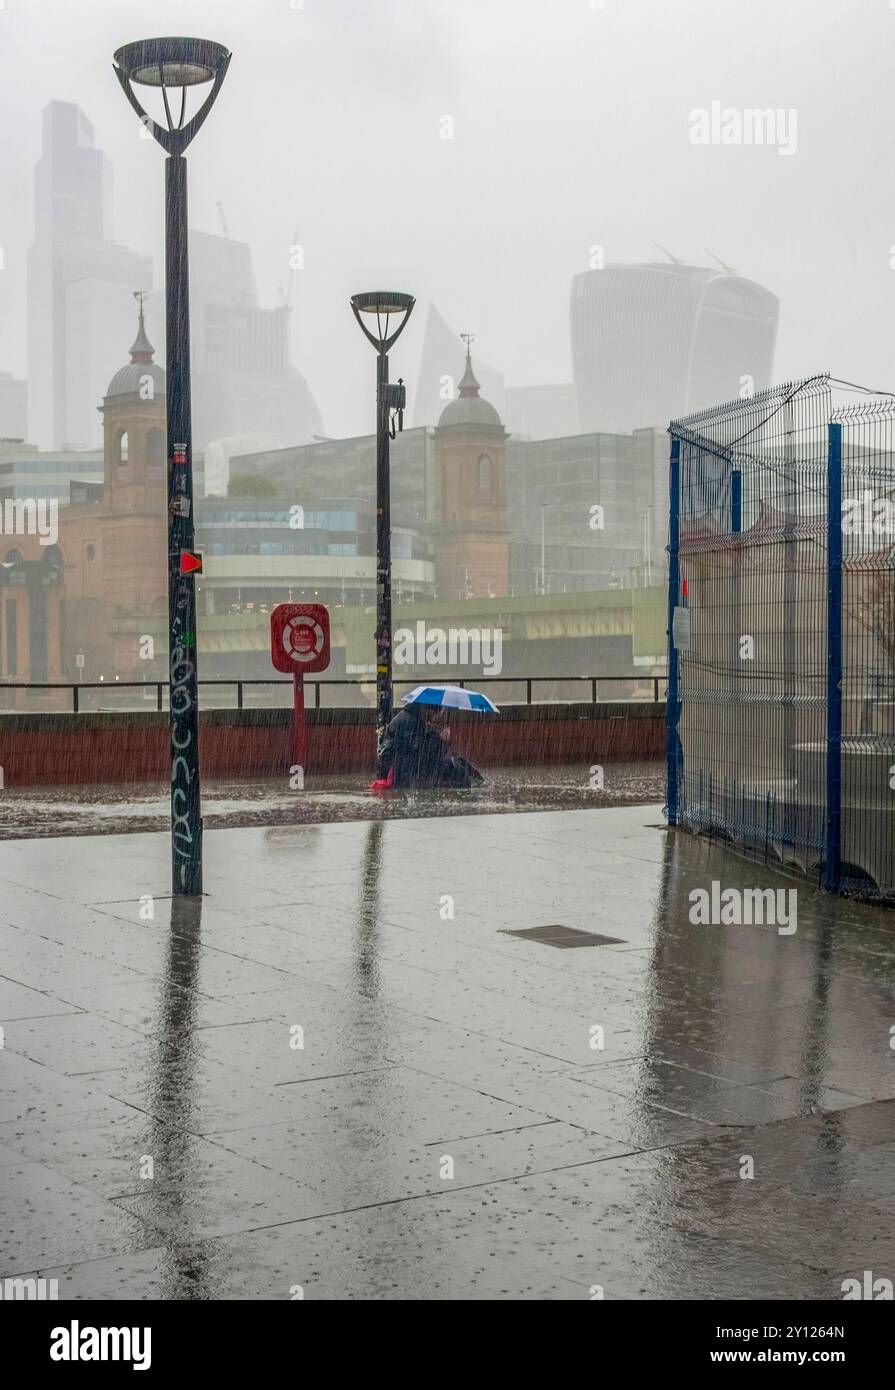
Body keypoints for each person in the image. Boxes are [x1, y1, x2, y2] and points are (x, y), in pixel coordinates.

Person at [376, 702, 483, 790]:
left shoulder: (411, 717)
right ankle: (468, 783)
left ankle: (469, 781)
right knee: (450, 766)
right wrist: (442, 739)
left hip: (401, 768)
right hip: (403, 773)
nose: (441, 716)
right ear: (431, 711)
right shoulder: (413, 722)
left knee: (456, 762)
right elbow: (423, 752)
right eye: (440, 713)